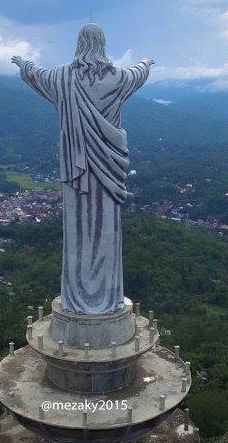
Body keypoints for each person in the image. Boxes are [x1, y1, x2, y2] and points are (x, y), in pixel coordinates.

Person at [11, 24, 152, 315]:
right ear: (102, 44)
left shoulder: (63, 77)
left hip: (78, 173)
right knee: (107, 232)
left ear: (79, 44)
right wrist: (147, 62)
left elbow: (36, 75)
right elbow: (139, 74)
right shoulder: (119, 78)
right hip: (109, 169)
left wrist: (23, 63)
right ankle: (108, 297)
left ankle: (77, 297)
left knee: (77, 232)